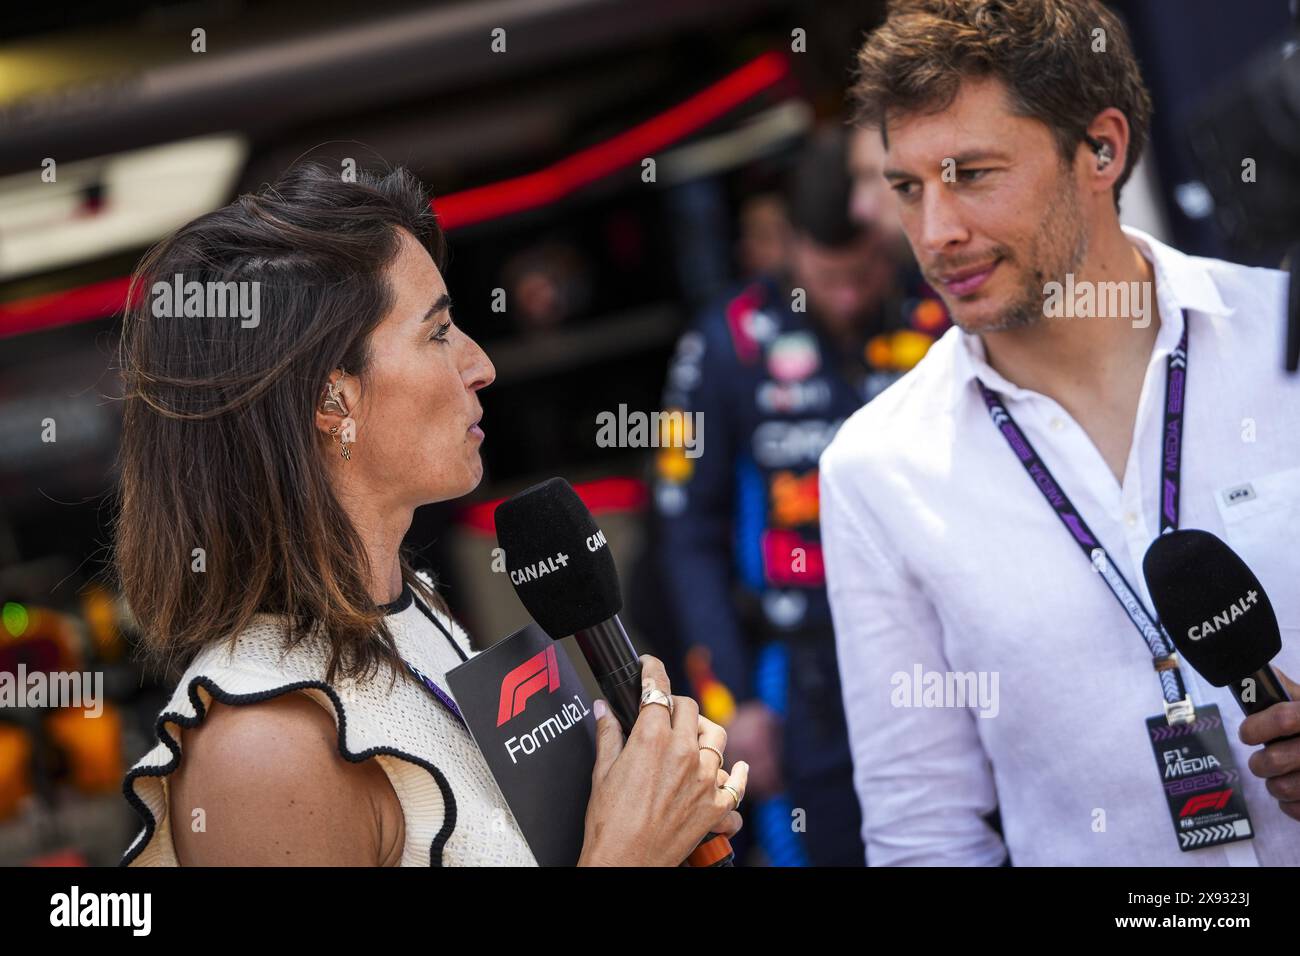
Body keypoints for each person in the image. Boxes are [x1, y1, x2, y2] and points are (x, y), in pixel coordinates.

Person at [115, 162, 747, 867]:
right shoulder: (264, 742)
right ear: (333, 403)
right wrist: (631, 854)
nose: (481, 366)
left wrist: (635, 799)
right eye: (439, 332)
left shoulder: (408, 609)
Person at [820, 0, 1300, 866]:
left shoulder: (1282, 344)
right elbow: (924, 832)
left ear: (1102, 150)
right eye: (908, 187)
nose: (935, 233)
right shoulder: (877, 467)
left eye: (971, 173)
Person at [654, 130, 944, 865]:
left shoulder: (937, 316)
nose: (850, 294)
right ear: (790, 249)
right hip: (801, 674)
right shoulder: (722, 345)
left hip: (939, 647)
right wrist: (737, 702)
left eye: (866, 272)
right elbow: (686, 538)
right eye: (830, 275)